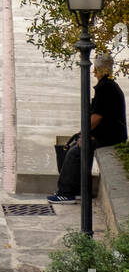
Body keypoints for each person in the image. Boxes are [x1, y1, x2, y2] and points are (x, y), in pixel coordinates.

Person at [48, 52, 127, 203]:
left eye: (95, 69)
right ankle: (77, 189)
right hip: (109, 135)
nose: (93, 72)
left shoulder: (105, 88)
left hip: (110, 137)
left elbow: (97, 117)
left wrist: (84, 134)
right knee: (76, 147)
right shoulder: (110, 85)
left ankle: (66, 192)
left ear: (99, 70)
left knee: (74, 152)